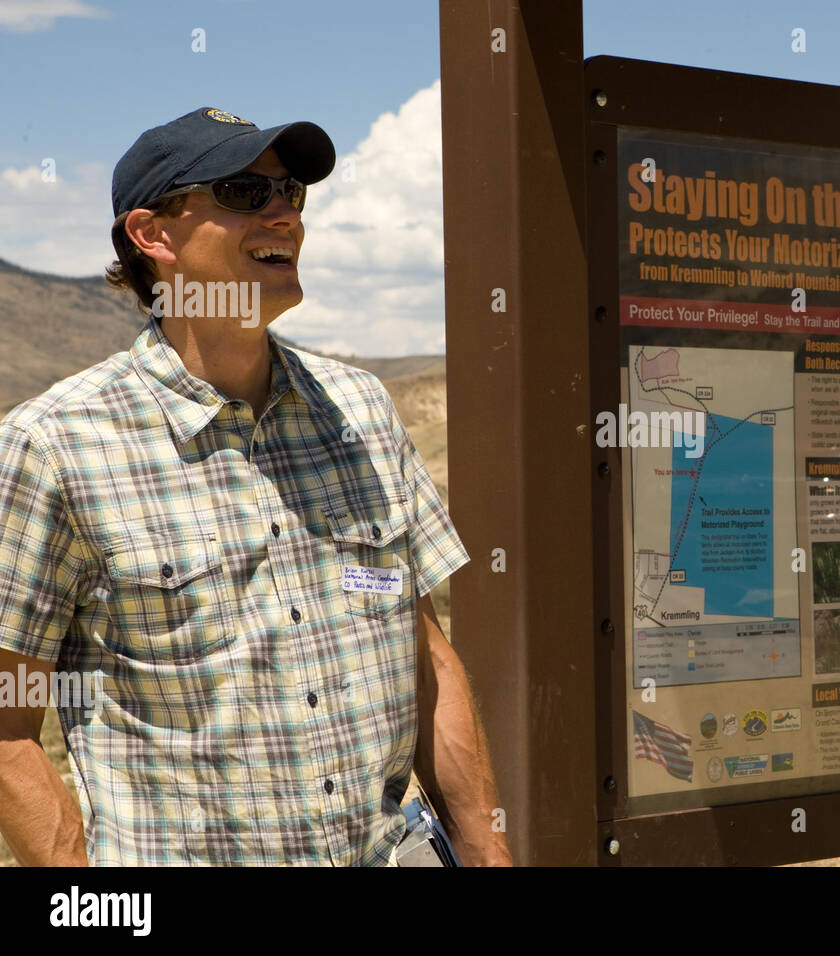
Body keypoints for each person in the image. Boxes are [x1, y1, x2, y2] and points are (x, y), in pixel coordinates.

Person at [0, 107, 511, 866]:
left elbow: (426, 659)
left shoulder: (362, 410)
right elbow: (9, 730)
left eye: (292, 192)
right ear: (153, 234)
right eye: (246, 191)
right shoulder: (54, 447)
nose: (284, 214)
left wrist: (489, 857)